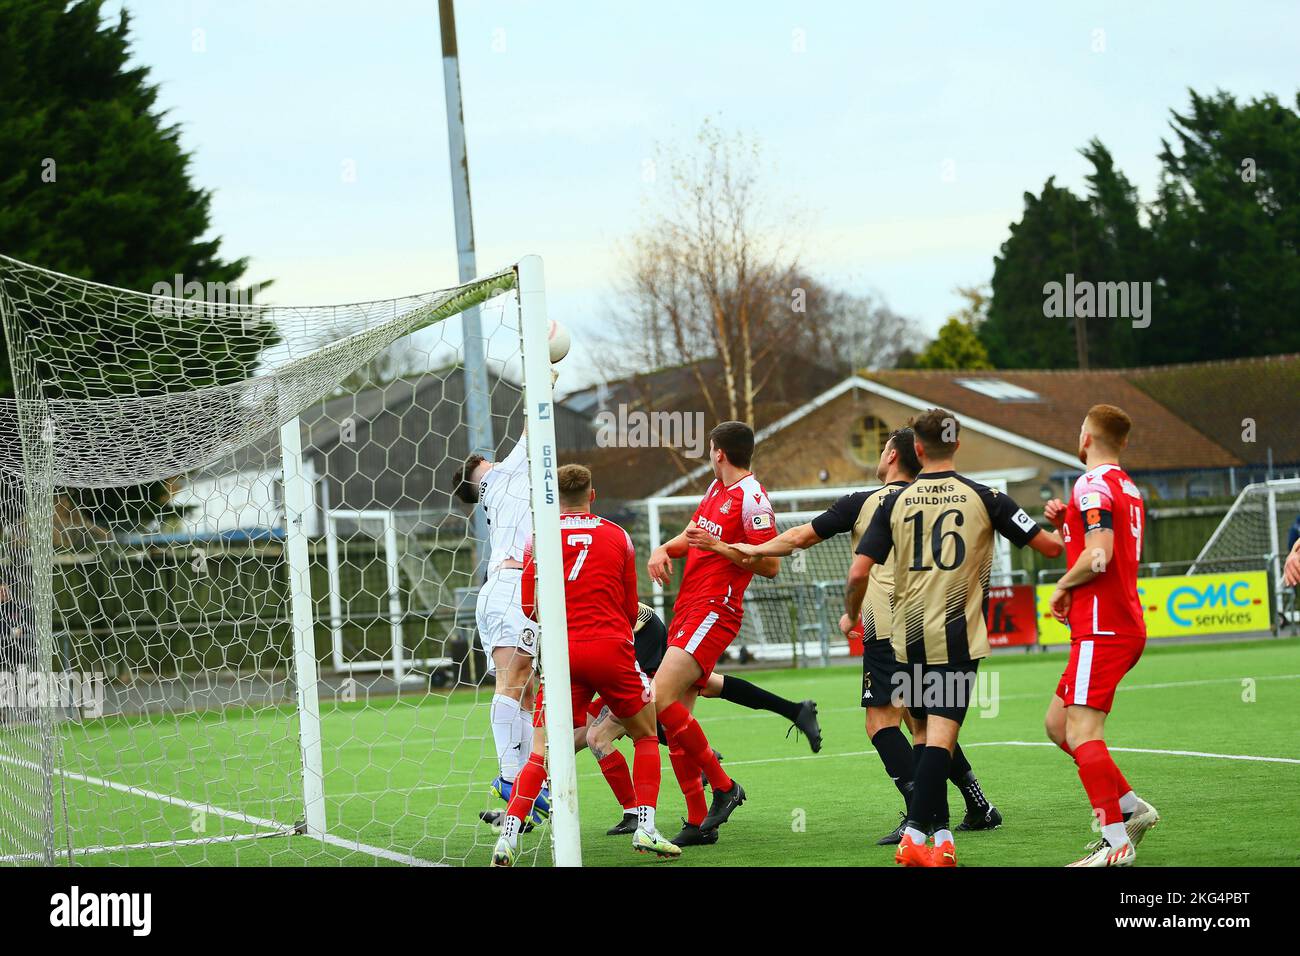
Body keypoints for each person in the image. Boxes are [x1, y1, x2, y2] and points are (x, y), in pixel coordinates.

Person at [735, 427, 1001, 845]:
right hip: (933, 623)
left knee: (880, 724)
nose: (878, 455)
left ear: (894, 455)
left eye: (882, 448)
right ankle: (978, 804)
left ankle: (921, 814)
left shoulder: (866, 503)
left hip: (887, 626)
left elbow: (800, 537)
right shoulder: (942, 500)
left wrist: (750, 549)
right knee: (929, 723)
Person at [848, 408, 1062, 867]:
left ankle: (941, 838)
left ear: (917, 449)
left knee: (924, 735)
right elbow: (1050, 547)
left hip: (905, 639)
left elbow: (858, 572)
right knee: (937, 739)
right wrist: (1062, 522)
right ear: (957, 444)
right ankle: (916, 835)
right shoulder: (987, 497)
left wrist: (851, 614)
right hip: (956, 639)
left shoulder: (892, 503)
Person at [490, 465, 679, 865]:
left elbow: (529, 607)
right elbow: (632, 607)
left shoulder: (537, 539)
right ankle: (644, 826)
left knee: (541, 754)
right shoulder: (619, 536)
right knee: (645, 734)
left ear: (553, 497)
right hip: (611, 649)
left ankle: (507, 837)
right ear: (592, 495)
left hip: (562, 654)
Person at [646, 421, 780, 846]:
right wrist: (663, 548)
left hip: (715, 610)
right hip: (688, 607)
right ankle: (697, 819)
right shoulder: (713, 492)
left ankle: (724, 786)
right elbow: (692, 538)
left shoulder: (752, 498)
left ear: (718, 451)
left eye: (709, 448)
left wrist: (720, 548)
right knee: (675, 716)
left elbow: (771, 563)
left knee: (659, 698)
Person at [586, 602, 821, 840]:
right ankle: (793, 711)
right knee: (705, 687)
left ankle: (673, 802)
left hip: (656, 634)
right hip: (675, 621)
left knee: (651, 711)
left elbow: (641, 613)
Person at [1041, 404, 1160, 867]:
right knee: (1058, 726)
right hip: (1117, 622)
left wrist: (1062, 585)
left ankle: (1115, 843)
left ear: (1085, 437)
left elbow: (1100, 557)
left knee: (1083, 730)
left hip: (1102, 626)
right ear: (1123, 443)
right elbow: (1099, 544)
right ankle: (1132, 809)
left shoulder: (1091, 484)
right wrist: (1066, 524)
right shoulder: (1126, 486)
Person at [452, 429, 547, 818]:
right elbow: (531, 431)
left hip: (508, 588)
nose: (492, 461)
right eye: (485, 463)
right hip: (510, 588)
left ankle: (527, 782)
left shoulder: (502, 484)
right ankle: (510, 777)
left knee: (526, 690)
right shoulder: (500, 476)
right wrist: (546, 378)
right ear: (480, 479)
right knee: (514, 684)